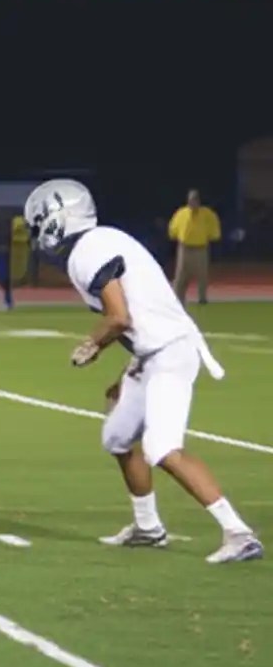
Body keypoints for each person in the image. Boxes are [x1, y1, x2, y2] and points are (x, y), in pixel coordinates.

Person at [24, 178, 260, 563]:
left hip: (170, 351)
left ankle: (239, 533)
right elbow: (130, 314)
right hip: (153, 353)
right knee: (117, 436)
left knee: (162, 448)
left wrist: (91, 346)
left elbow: (118, 317)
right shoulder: (97, 242)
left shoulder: (88, 249)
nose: (37, 234)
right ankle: (148, 527)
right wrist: (129, 370)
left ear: (58, 220)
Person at [167, 189, 221, 305]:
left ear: (199, 201)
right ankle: (178, 299)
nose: (193, 203)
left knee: (202, 274)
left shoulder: (207, 214)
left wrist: (212, 235)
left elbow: (214, 229)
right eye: (191, 200)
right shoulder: (181, 213)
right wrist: (175, 235)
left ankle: (202, 298)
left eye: (195, 200)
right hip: (184, 248)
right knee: (181, 275)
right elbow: (173, 228)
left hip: (200, 248)